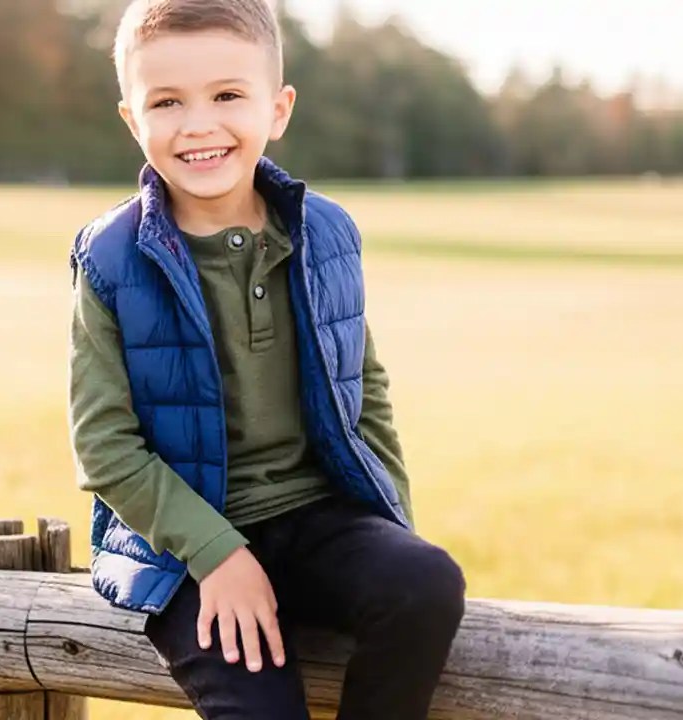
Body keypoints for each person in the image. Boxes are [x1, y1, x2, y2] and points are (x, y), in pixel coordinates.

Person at [67, 1, 466, 717]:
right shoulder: (111, 256)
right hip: (181, 545)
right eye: (166, 101)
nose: (198, 124)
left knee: (424, 581)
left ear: (277, 109)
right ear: (132, 119)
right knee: (261, 705)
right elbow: (104, 447)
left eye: (227, 95)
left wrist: (389, 531)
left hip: (318, 519)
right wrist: (218, 554)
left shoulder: (328, 234)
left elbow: (363, 389)